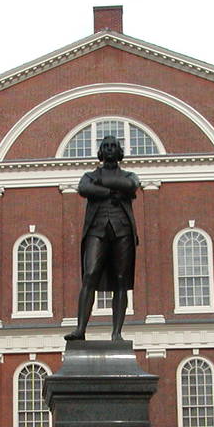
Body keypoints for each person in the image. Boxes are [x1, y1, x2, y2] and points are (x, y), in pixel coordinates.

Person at [63, 135, 140, 342]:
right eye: (105, 146)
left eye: (113, 146)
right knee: (90, 275)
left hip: (122, 230)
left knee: (122, 281)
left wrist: (102, 184)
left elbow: (132, 185)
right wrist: (114, 190)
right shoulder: (89, 175)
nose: (108, 149)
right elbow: (83, 188)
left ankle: (116, 333)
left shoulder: (128, 174)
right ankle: (80, 329)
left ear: (119, 151)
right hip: (97, 230)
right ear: (100, 152)